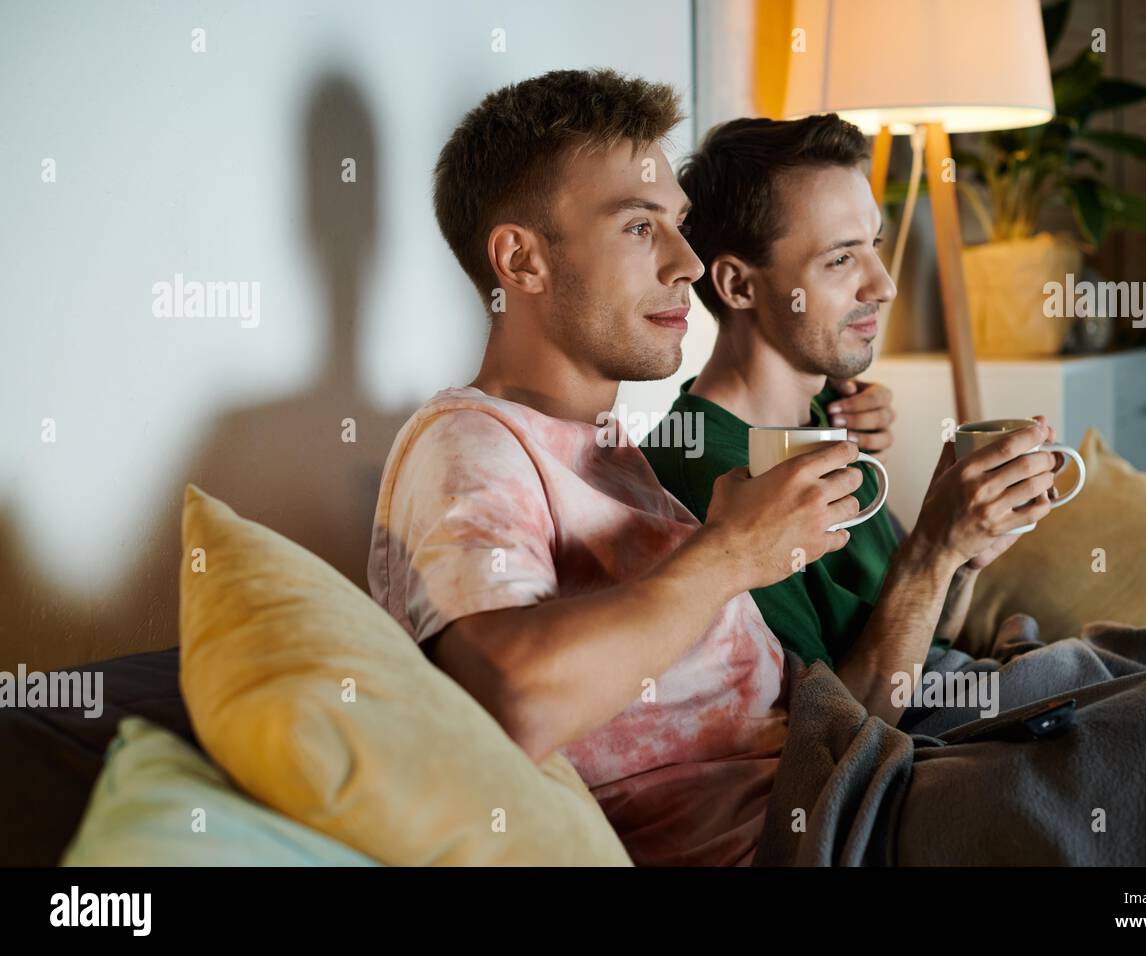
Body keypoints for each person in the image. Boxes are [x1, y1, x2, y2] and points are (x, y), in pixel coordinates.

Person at [366, 70, 1055, 866]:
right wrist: (731, 554)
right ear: (522, 261)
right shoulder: (469, 445)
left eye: (680, 226)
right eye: (637, 228)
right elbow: (513, 701)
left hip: (863, 781)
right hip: (815, 832)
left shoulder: (617, 460)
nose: (689, 265)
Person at [642, 113, 1060, 700]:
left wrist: (961, 559)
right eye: (840, 259)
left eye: (874, 246)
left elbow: (918, 646)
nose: (883, 285)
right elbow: (841, 733)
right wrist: (932, 551)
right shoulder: (705, 479)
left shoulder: (821, 427)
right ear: (739, 286)